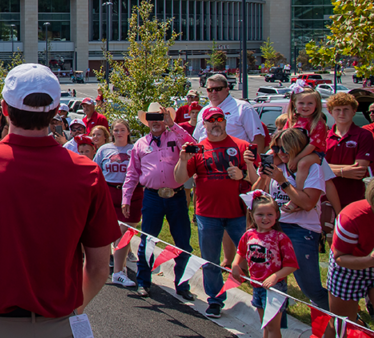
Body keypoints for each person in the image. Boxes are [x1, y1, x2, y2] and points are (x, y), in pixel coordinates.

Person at [0, 64, 119, 338]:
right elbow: (100, 267)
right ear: (55, 112)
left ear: (5, 109)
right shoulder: (86, 172)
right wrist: (72, 310)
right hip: (59, 324)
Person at [175, 105, 258, 319]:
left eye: (219, 119)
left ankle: (262, 297)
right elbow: (180, 178)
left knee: (254, 256)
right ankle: (214, 300)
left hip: (238, 213)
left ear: (225, 121)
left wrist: (243, 175)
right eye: (211, 120)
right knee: (211, 260)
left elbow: (258, 181)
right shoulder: (198, 148)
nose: (215, 124)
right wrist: (182, 160)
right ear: (204, 124)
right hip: (207, 213)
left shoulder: (242, 146)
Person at [123, 102, 197, 300]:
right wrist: (126, 197)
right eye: (152, 118)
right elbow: (132, 173)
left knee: (182, 242)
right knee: (147, 240)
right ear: (147, 121)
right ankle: (144, 282)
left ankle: (182, 285)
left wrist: (172, 124)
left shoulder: (176, 135)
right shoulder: (140, 144)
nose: (156, 122)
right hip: (153, 196)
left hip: (177, 195)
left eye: (159, 117)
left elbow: (193, 145)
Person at [252, 128, 329, 310]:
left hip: (301, 230)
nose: (280, 153)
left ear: (296, 148)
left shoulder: (311, 168)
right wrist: (263, 177)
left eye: (284, 149)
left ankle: (347, 317)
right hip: (274, 227)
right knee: (272, 283)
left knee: (310, 288)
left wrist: (282, 181)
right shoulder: (277, 165)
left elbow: (309, 203)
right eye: (277, 149)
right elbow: (256, 194)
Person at [230, 193, 298, 338]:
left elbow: (291, 265)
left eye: (269, 214)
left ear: (277, 215)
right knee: (265, 324)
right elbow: (241, 250)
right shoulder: (249, 235)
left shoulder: (281, 238)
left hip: (275, 288)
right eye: (260, 214)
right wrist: (235, 263)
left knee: (273, 328)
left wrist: (276, 276)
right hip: (257, 286)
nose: (265, 218)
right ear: (252, 214)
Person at [92, 119, 139, 289]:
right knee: (114, 233)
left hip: (132, 194)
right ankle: (117, 270)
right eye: (115, 130)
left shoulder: (135, 149)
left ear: (128, 132)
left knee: (124, 233)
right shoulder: (105, 149)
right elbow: (96, 170)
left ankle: (119, 271)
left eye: (122, 130)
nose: (118, 133)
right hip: (109, 192)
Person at [326, 180, 374, 336]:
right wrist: (370, 261)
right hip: (347, 265)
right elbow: (340, 257)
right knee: (341, 323)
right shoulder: (351, 217)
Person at [324, 92, 373, 208]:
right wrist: (343, 171)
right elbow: (316, 167)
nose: (342, 113)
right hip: (326, 199)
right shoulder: (324, 137)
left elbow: (358, 171)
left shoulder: (364, 135)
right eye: (337, 110)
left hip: (354, 199)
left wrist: (327, 169)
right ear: (331, 112)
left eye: (346, 109)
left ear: (354, 111)